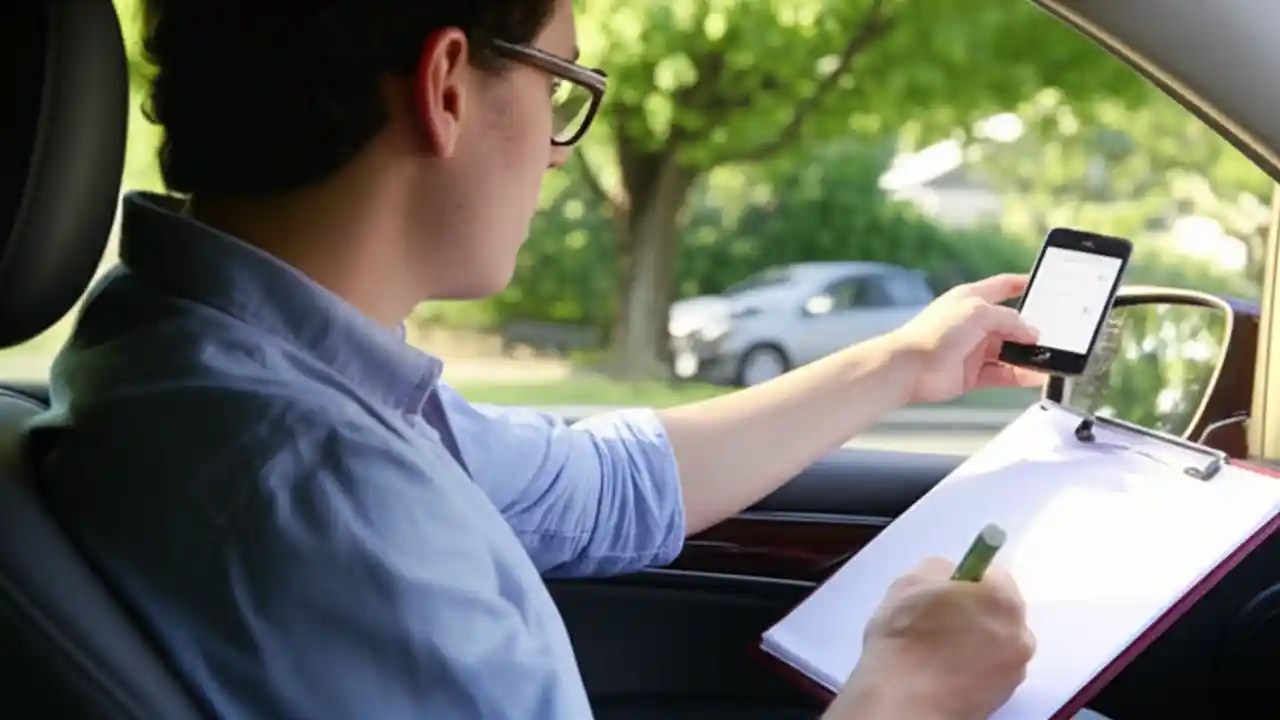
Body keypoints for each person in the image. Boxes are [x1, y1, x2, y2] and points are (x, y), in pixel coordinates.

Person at [31, 0, 1049, 718]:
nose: (561, 151)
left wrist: (902, 363)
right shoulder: (315, 489)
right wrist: (904, 692)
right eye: (564, 83)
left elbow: (589, 489)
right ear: (446, 88)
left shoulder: (208, 358)